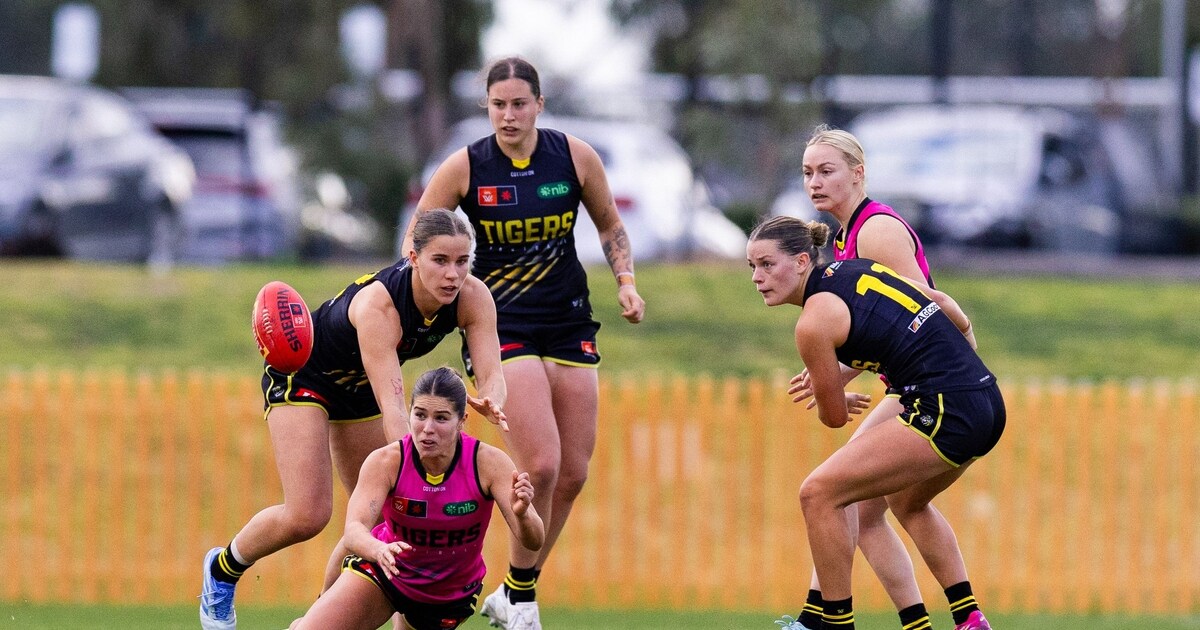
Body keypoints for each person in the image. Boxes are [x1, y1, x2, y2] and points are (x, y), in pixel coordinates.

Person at [401, 56, 645, 630]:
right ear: (486, 107)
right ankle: (525, 601)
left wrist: (627, 283)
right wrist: (429, 304)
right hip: (499, 325)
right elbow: (418, 239)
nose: (508, 115)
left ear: (539, 104)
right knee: (541, 462)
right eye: (497, 105)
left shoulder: (574, 157)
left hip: (568, 319)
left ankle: (514, 589)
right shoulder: (466, 166)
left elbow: (610, 224)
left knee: (574, 473)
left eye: (519, 103)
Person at [200, 208, 509, 630]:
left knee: (387, 524)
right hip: (307, 374)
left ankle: (321, 615)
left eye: (462, 261)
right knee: (308, 515)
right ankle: (222, 569)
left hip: (360, 388)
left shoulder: (473, 297)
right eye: (440, 260)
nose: (453, 274)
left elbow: (491, 373)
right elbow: (395, 406)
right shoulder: (379, 307)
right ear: (414, 258)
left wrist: (491, 399)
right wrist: (416, 475)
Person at [749, 216, 1002, 630]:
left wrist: (836, 396)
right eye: (752, 267)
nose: (757, 278)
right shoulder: (857, 269)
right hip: (984, 400)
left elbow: (833, 419)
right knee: (902, 503)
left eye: (766, 264)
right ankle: (966, 618)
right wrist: (968, 348)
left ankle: (830, 623)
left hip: (946, 408)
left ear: (800, 261)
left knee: (819, 493)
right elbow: (943, 302)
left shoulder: (813, 322)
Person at [776, 125, 960, 630]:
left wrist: (835, 371)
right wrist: (835, 371)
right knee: (857, 505)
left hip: (932, 385)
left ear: (858, 173)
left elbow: (922, 316)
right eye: (808, 173)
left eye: (827, 171)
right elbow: (878, 325)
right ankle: (919, 623)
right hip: (908, 384)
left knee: (833, 492)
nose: (815, 182)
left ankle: (821, 620)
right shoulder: (841, 238)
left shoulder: (875, 230)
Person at [289, 366, 544, 630]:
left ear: (462, 420)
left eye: (441, 418)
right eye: (420, 415)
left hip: (446, 596)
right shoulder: (386, 461)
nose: (427, 429)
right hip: (388, 570)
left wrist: (523, 514)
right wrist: (378, 550)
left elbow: (535, 540)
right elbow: (353, 531)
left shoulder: (489, 464)